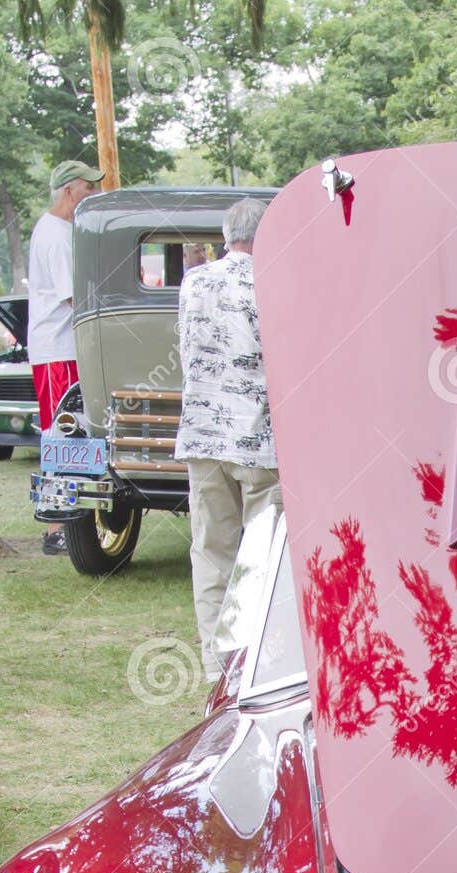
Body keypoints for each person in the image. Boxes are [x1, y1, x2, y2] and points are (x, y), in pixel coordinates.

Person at [173, 196, 278, 679]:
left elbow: (186, 348)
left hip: (202, 435)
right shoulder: (273, 279)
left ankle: (219, 664)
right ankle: (260, 656)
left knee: (212, 549)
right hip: (257, 436)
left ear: (226, 234)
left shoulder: (194, 281)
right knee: (265, 552)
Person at [28, 159, 103, 556]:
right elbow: (75, 297)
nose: (92, 195)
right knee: (62, 433)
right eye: (88, 189)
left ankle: (70, 518)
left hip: (61, 348)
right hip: (59, 349)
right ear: (70, 191)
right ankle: (58, 525)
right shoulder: (57, 235)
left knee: (69, 432)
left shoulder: (58, 231)